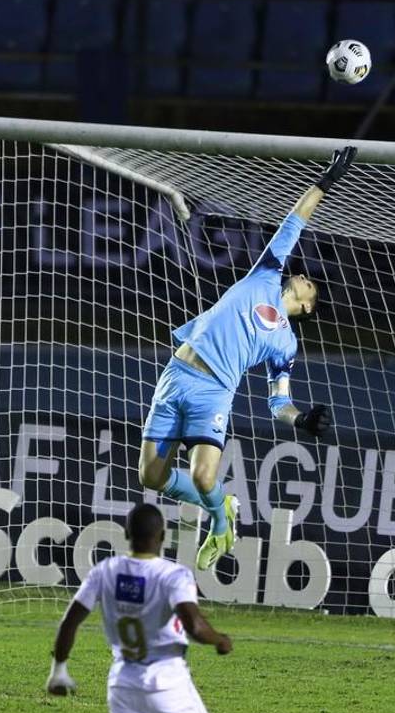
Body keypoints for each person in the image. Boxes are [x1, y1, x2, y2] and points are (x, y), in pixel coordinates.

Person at [137, 146, 359, 571]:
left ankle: (220, 517)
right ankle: (225, 507)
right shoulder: (265, 273)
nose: (304, 276)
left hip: (214, 392)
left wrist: (302, 420)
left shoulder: (285, 344)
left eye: (311, 284)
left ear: (308, 307)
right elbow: (297, 220)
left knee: (203, 477)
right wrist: (326, 181)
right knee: (150, 477)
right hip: (176, 374)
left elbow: (278, 402)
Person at [47, 502, 262, 713]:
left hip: (124, 682)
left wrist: (59, 669)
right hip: (166, 682)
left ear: (128, 535)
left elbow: (71, 619)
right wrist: (220, 639)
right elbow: (192, 622)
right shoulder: (172, 574)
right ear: (163, 536)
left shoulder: (106, 570)